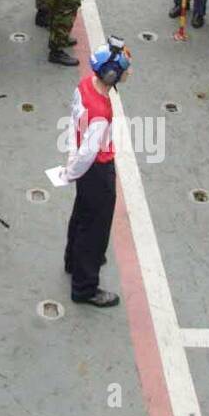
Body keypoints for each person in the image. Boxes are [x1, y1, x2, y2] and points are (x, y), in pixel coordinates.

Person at [61, 40, 132, 308]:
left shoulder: (84, 86)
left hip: (85, 171)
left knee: (81, 214)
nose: (129, 73)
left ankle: (72, 260)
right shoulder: (101, 111)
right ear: (112, 75)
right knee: (95, 229)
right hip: (98, 170)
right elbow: (89, 153)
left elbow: (73, 127)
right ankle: (85, 287)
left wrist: (71, 165)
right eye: (125, 69)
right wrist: (73, 171)